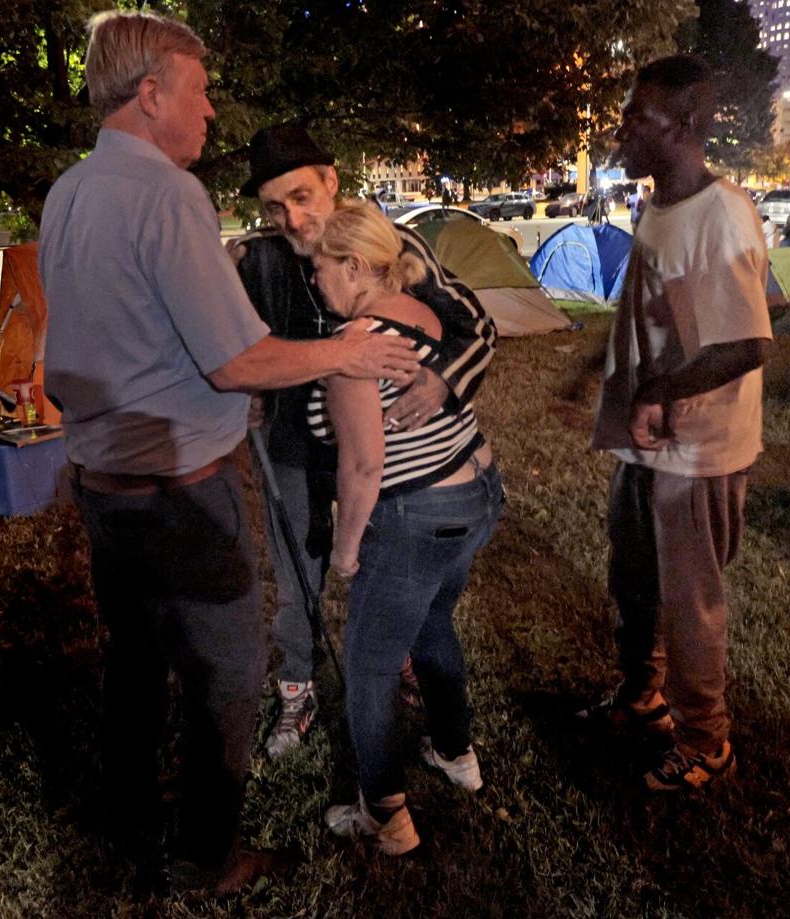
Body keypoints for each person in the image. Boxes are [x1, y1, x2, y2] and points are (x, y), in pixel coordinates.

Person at [39, 10, 419, 895]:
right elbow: (236, 357)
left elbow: (99, 344)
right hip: (181, 497)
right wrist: (346, 354)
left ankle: (131, 821)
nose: (210, 112)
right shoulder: (168, 195)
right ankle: (205, 854)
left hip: (102, 487)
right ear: (151, 93)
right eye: (200, 91)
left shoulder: (70, 192)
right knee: (231, 677)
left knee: (133, 664)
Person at [231, 123, 497, 759]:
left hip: (382, 458)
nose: (292, 219)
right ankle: (299, 689)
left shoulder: (390, 244)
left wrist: (440, 382)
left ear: (332, 181)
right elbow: (235, 348)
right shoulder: (257, 260)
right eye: (274, 207)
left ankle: (393, 659)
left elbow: (476, 322)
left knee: (384, 570)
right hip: (297, 444)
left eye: (301, 196)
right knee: (299, 576)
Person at [584, 55, 772, 793]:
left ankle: (706, 738)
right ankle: (643, 696)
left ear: (687, 125)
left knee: (690, 603)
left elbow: (748, 343)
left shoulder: (720, 216)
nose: (623, 130)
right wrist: (603, 374)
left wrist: (659, 389)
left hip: (697, 451)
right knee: (632, 576)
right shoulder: (663, 205)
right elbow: (663, 314)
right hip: (650, 441)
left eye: (639, 117)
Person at [305, 202, 504, 853]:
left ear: (356, 267)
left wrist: (345, 550)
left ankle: (384, 812)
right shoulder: (419, 310)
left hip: (417, 514)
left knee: (368, 665)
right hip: (477, 493)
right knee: (431, 621)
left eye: (320, 268)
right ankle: (455, 751)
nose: (314, 281)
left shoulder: (353, 348)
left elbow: (363, 466)